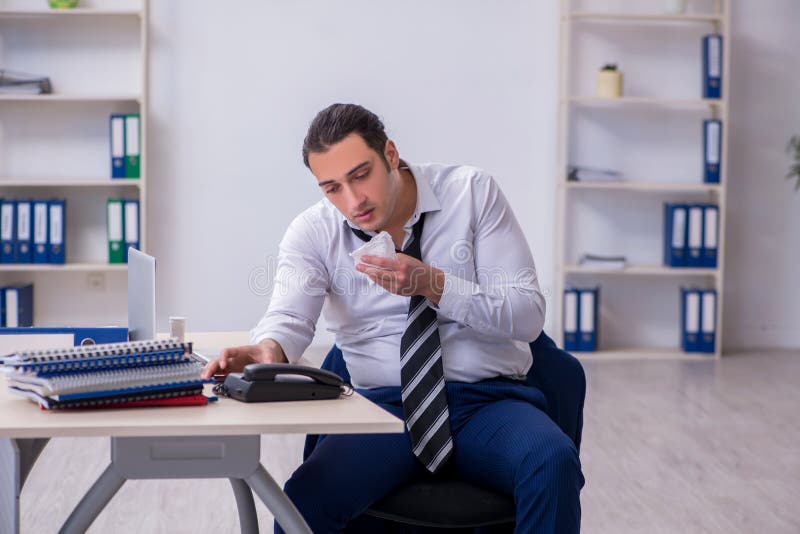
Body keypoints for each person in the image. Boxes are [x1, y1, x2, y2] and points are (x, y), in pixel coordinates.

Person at [203, 103, 584, 533]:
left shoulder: (472, 193)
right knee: (302, 504)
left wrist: (433, 284)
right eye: (332, 188)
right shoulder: (314, 232)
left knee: (552, 461)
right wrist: (264, 351)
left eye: (360, 175)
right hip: (383, 410)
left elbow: (528, 314)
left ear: (390, 154)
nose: (353, 201)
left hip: (487, 401)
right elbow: (288, 318)